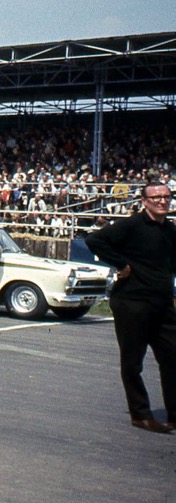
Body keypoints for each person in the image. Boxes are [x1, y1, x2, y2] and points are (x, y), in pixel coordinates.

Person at [85, 182, 176, 433]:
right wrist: (120, 264)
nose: (162, 201)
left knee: (172, 358)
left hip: (163, 305)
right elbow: (94, 240)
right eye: (156, 197)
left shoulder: (170, 230)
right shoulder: (131, 225)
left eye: (166, 197)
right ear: (144, 201)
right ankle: (140, 414)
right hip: (132, 303)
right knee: (133, 361)